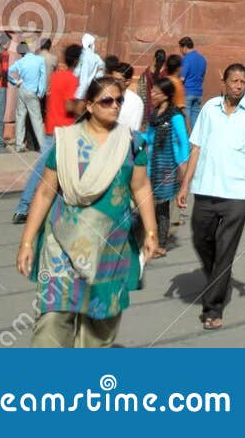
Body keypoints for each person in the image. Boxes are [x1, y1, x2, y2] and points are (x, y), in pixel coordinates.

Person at [16, 75, 158, 348]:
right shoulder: (67, 141)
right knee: (53, 317)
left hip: (109, 245)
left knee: (100, 322)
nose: (115, 106)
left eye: (119, 100)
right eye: (107, 101)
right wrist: (26, 241)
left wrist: (151, 231)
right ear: (90, 105)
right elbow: (45, 192)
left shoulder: (132, 143)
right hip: (62, 242)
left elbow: (141, 188)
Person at [177, 62, 245, 330]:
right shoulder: (209, 109)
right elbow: (195, 149)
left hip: (236, 194)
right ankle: (219, 276)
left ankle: (212, 309)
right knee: (201, 240)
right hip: (206, 190)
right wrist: (185, 186)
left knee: (226, 251)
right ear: (224, 82)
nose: (239, 86)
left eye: (243, 82)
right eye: (235, 81)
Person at [12, 44, 82, 226]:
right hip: (65, 132)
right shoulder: (72, 80)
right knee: (69, 173)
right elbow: (69, 106)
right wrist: (83, 106)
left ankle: (24, 207)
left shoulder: (56, 77)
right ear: (78, 61)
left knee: (42, 171)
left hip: (51, 129)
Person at [143, 77, 189, 255]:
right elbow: (148, 137)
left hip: (168, 165)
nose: (152, 94)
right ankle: (152, 239)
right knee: (150, 204)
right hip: (152, 163)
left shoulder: (175, 115)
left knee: (162, 205)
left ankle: (161, 244)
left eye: (156, 92)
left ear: (166, 95)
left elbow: (184, 142)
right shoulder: (154, 114)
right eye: (152, 91)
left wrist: (183, 165)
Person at [9, 42, 48, 154]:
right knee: (37, 119)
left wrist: (15, 82)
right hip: (33, 92)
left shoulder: (19, 62)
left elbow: (8, 72)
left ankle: (19, 144)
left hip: (22, 90)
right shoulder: (39, 60)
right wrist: (41, 92)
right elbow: (43, 77)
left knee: (20, 117)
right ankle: (43, 146)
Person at [179, 36, 207, 128]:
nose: (180, 51)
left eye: (180, 48)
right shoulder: (202, 59)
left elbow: (182, 78)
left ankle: (185, 141)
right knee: (195, 123)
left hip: (187, 92)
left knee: (185, 122)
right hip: (198, 92)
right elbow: (202, 77)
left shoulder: (186, 59)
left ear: (184, 47)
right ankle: (195, 142)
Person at [140, 48, 167, 120]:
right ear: (164, 60)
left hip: (150, 104)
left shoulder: (147, 71)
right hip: (161, 105)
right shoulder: (165, 73)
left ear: (154, 58)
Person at [117, 64, 145, 134]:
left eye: (118, 80)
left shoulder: (136, 102)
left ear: (127, 82)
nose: (113, 83)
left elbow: (134, 129)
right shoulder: (104, 95)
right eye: (111, 79)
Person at [75, 33, 104, 97]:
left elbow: (76, 72)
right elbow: (102, 68)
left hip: (78, 88)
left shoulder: (81, 55)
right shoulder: (96, 57)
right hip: (89, 88)